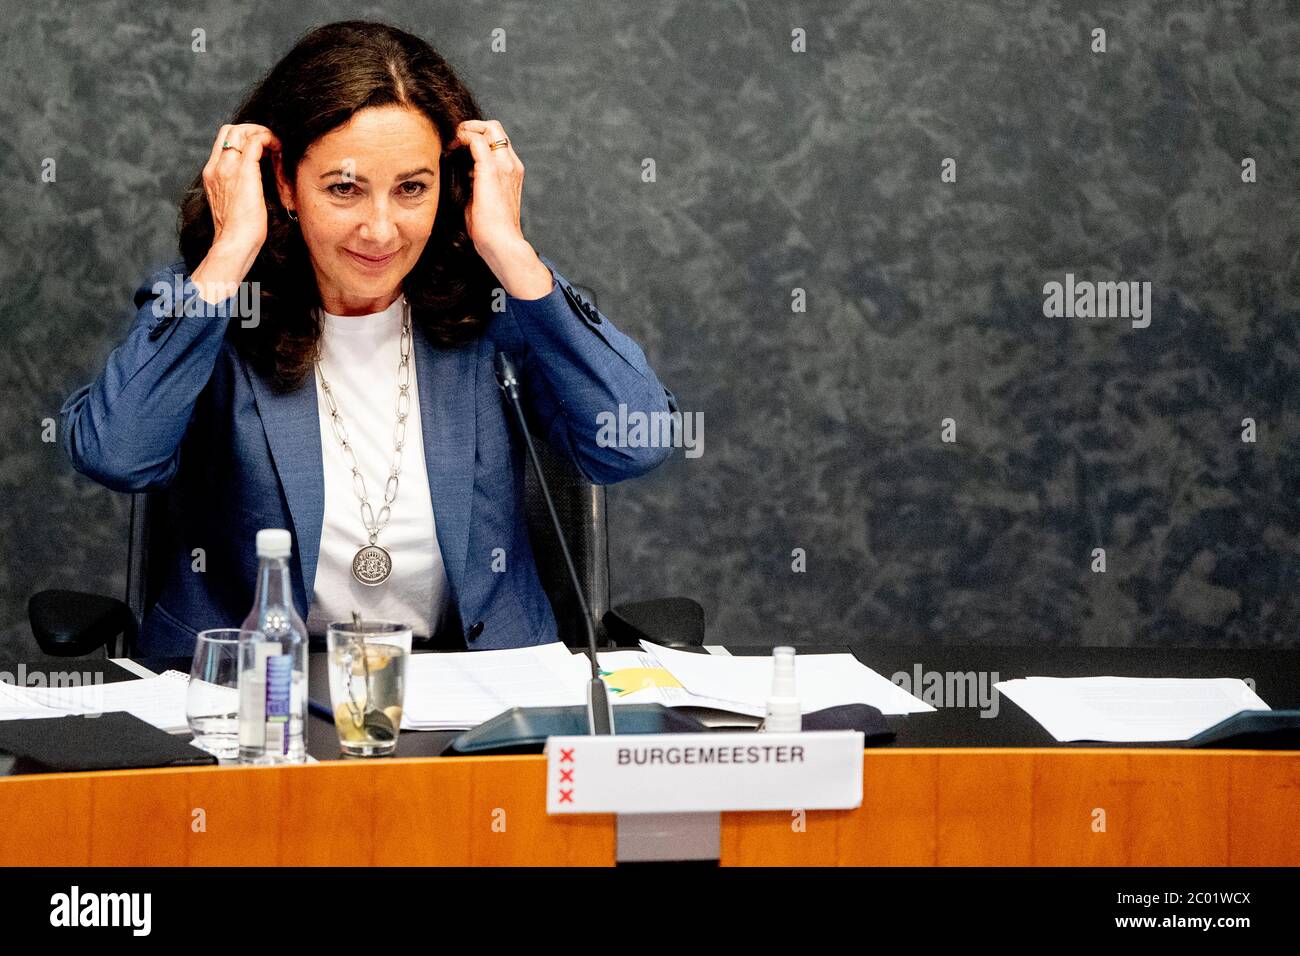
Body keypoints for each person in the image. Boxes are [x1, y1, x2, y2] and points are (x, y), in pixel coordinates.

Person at [59, 20, 677, 656]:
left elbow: (634, 444)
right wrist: (232, 250)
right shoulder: (211, 305)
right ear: (284, 183)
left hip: (470, 680)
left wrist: (509, 249)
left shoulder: (496, 310)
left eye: (412, 188)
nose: (380, 231)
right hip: (253, 682)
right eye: (344, 189)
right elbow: (117, 456)